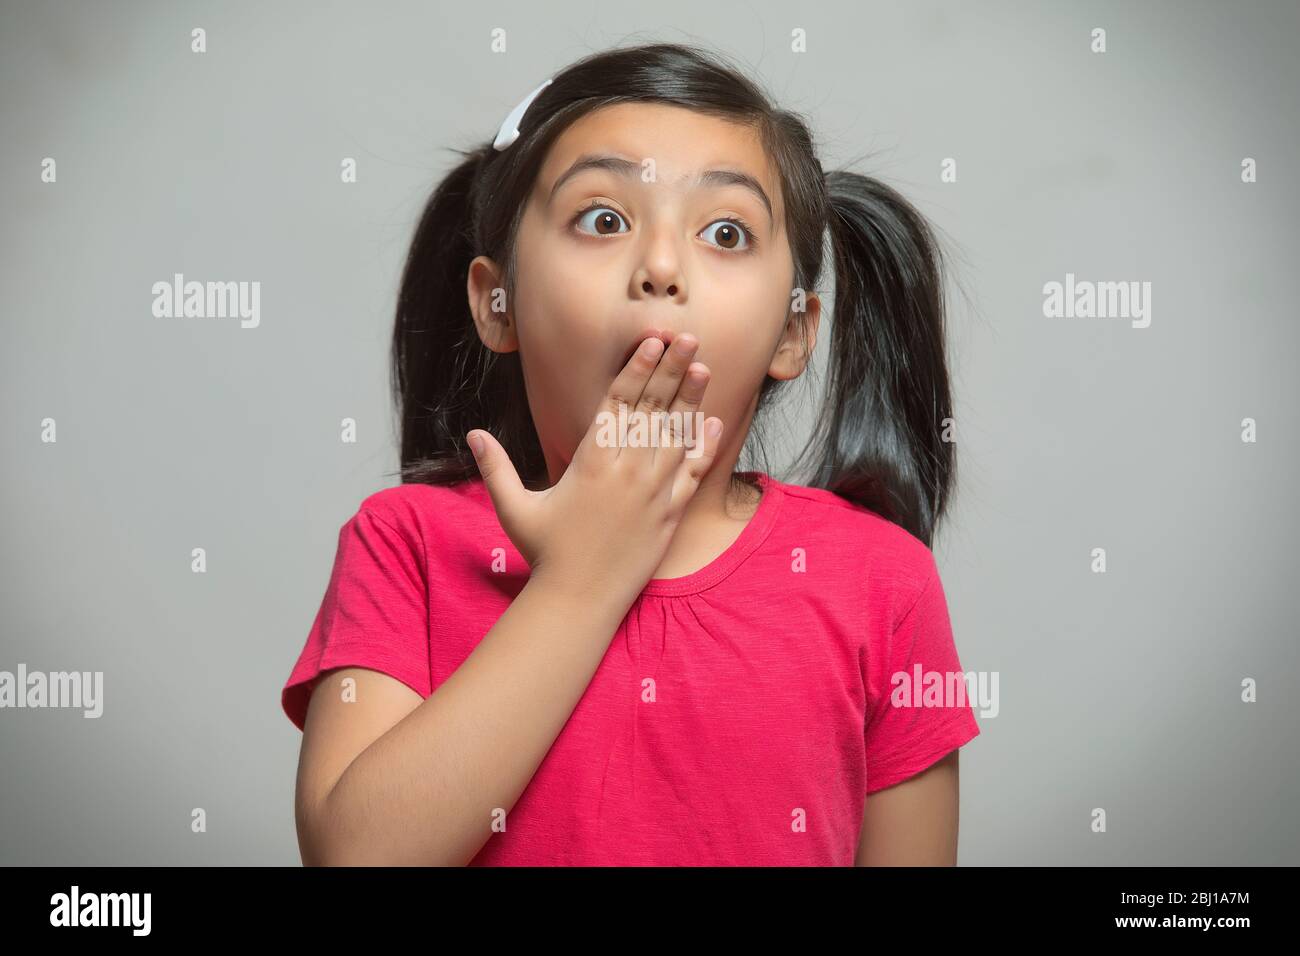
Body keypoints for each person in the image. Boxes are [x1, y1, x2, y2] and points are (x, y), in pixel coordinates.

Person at [281, 42, 979, 866]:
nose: (659, 266)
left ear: (792, 331)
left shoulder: (882, 581)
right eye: (603, 219)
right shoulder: (406, 545)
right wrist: (583, 579)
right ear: (495, 303)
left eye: (724, 232)